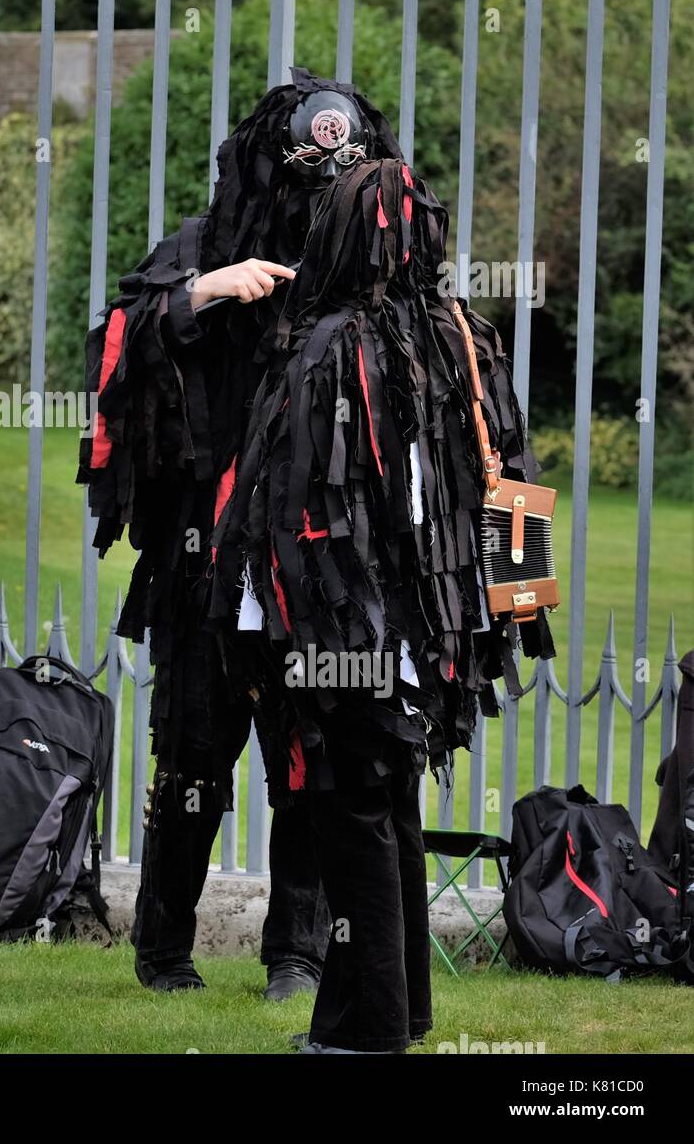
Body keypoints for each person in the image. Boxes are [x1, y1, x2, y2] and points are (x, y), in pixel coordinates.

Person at [78, 71, 404, 995]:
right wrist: (203, 292)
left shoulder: (369, 270)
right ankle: (162, 949)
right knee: (191, 756)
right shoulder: (197, 248)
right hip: (200, 559)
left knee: (311, 763)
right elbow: (115, 344)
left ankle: (298, 952)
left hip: (323, 571)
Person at [220, 156, 554, 1051]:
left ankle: (372, 1033)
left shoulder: (328, 345)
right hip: (432, 639)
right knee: (386, 809)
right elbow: (512, 485)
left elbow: (289, 513)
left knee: (355, 818)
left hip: (346, 632)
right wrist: (502, 622)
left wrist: (271, 632)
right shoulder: (464, 337)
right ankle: (388, 1012)